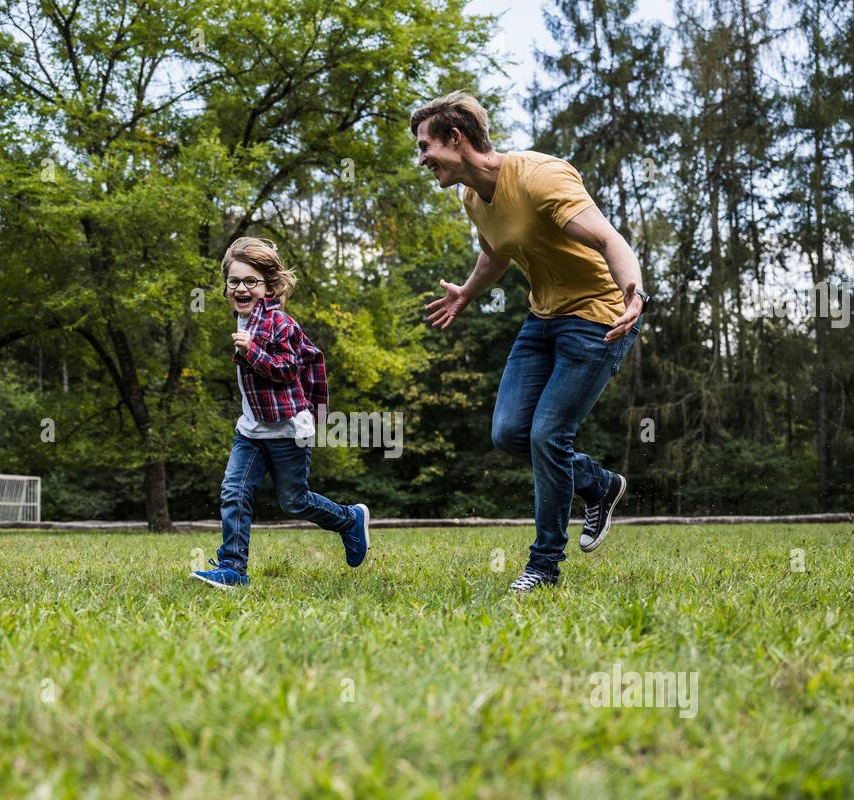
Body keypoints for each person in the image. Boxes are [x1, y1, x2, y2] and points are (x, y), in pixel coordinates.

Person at [412, 91, 649, 593]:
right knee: (509, 433)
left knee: (547, 435)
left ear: (456, 138)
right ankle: (599, 486)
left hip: (598, 317)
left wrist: (634, 293)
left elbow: (609, 239)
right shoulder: (472, 196)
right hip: (542, 319)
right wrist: (466, 295)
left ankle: (543, 566)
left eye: (425, 146)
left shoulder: (540, 176)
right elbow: (496, 253)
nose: (422, 159)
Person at [190, 237, 370, 590]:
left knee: (295, 502)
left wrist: (253, 351)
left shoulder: (280, 324)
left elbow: (288, 369)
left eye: (250, 282)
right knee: (233, 492)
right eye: (234, 282)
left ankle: (350, 520)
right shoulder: (243, 319)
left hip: (287, 431)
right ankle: (232, 569)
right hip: (251, 432)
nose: (241, 288)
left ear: (268, 286)